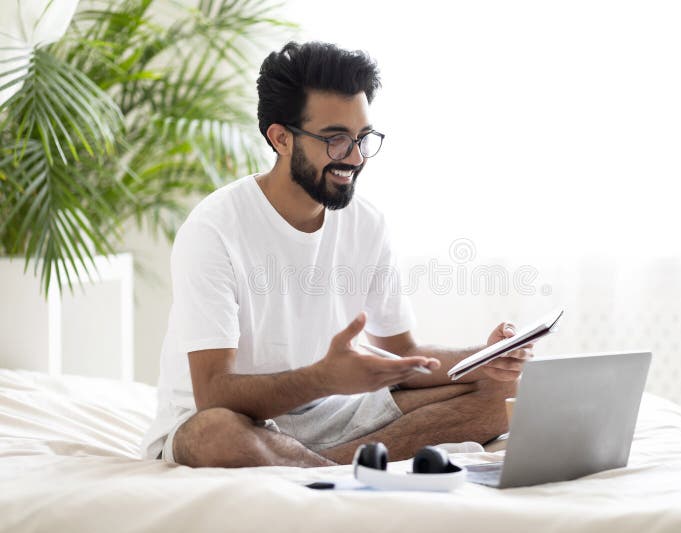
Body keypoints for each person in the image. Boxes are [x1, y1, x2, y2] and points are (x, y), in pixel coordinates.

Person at [140, 41, 533, 468]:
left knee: (499, 394)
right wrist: (324, 377)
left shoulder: (367, 223)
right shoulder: (214, 228)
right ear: (280, 138)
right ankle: (333, 466)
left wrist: (485, 358)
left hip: (332, 412)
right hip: (231, 418)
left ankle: (315, 465)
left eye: (363, 138)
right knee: (214, 436)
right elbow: (213, 392)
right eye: (336, 140)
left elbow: (405, 353)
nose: (356, 156)